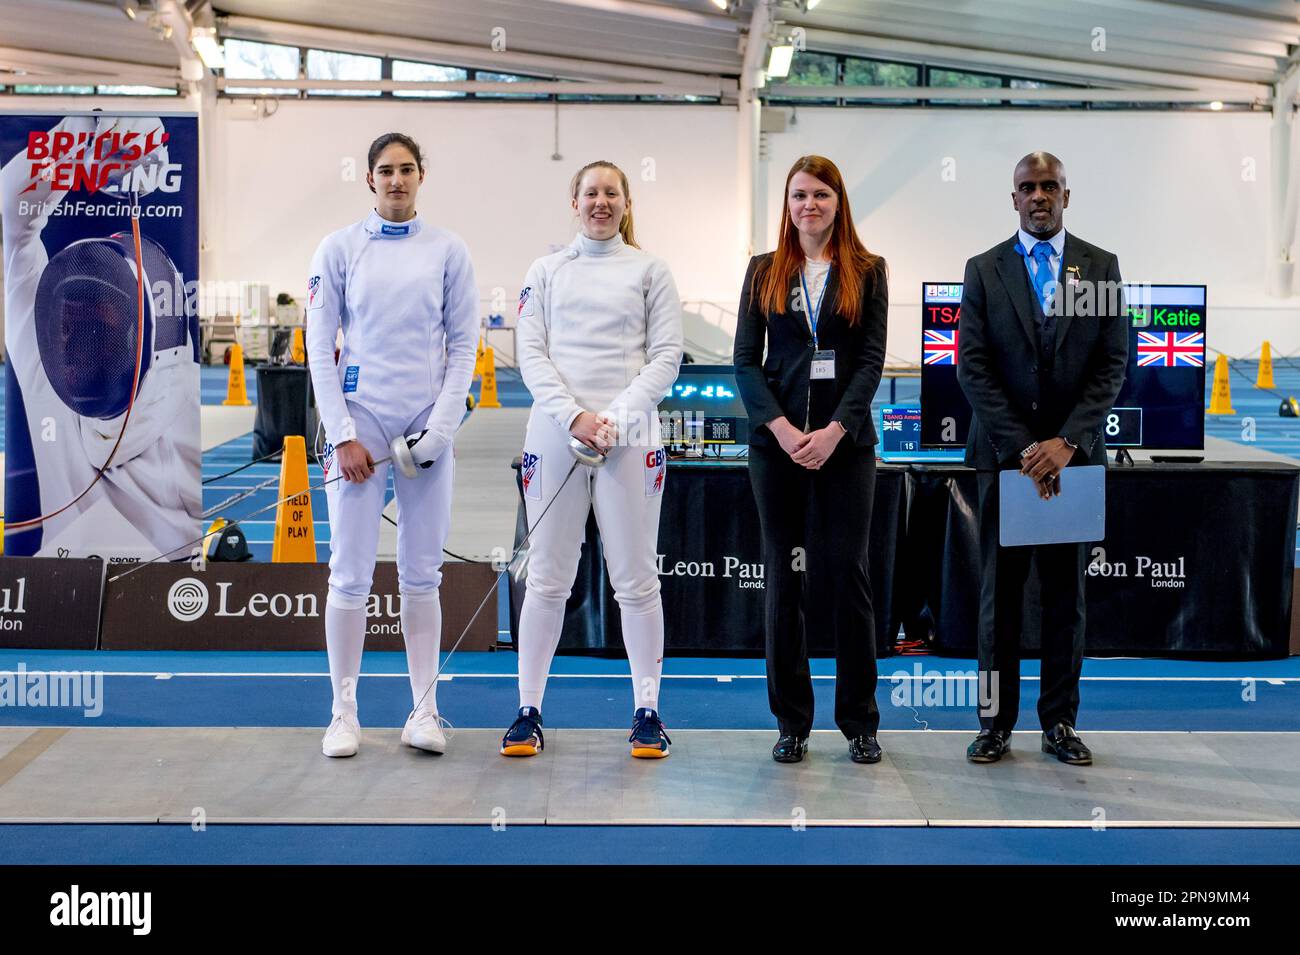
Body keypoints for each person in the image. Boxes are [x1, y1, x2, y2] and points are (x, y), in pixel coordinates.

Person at [306, 132, 479, 758]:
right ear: (369, 179)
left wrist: (442, 426)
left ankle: (424, 710)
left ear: (421, 176)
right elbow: (320, 351)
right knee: (348, 574)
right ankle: (343, 714)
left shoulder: (449, 250)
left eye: (407, 169)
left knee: (422, 574)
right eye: (386, 170)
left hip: (426, 423)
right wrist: (344, 436)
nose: (397, 179)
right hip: (360, 421)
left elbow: (463, 348)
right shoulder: (338, 249)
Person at [504, 160, 683, 759]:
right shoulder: (546, 271)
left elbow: (665, 357)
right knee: (549, 577)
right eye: (590, 193)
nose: (600, 202)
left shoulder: (651, 270)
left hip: (630, 441)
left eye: (611, 192)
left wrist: (615, 418)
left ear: (626, 204)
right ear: (573, 203)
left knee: (635, 578)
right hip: (555, 436)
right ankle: (528, 710)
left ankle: (648, 712)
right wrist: (574, 417)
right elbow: (530, 354)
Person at [956, 151, 1128, 766]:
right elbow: (971, 366)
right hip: (1007, 460)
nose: (1038, 196)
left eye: (1049, 186)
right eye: (1027, 187)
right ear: (1013, 198)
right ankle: (993, 724)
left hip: (1073, 462)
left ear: (1066, 195)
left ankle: (1059, 722)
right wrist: (1028, 447)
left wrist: (1068, 443)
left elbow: (1113, 365)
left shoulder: (1100, 268)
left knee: (1065, 600)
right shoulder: (983, 269)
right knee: (997, 602)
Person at [733, 155, 889, 765]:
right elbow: (746, 360)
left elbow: (870, 361)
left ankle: (860, 722)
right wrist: (778, 426)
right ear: (787, 206)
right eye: (799, 196)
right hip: (777, 451)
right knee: (784, 581)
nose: (809, 206)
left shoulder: (869, 272)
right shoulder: (765, 271)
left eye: (820, 195)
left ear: (838, 201)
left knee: (848, 578)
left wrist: (833, 432)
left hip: (845, 450)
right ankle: (792, 721)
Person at [1, 113, 201, 559]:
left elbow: (12, 215)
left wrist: (80, 131)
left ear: (138, 328)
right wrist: (91, 128)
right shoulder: (182, 393)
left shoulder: (182, 405)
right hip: (133, 601)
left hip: (89, 601)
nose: (72, 342)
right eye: (66, 324)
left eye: (95, 320)